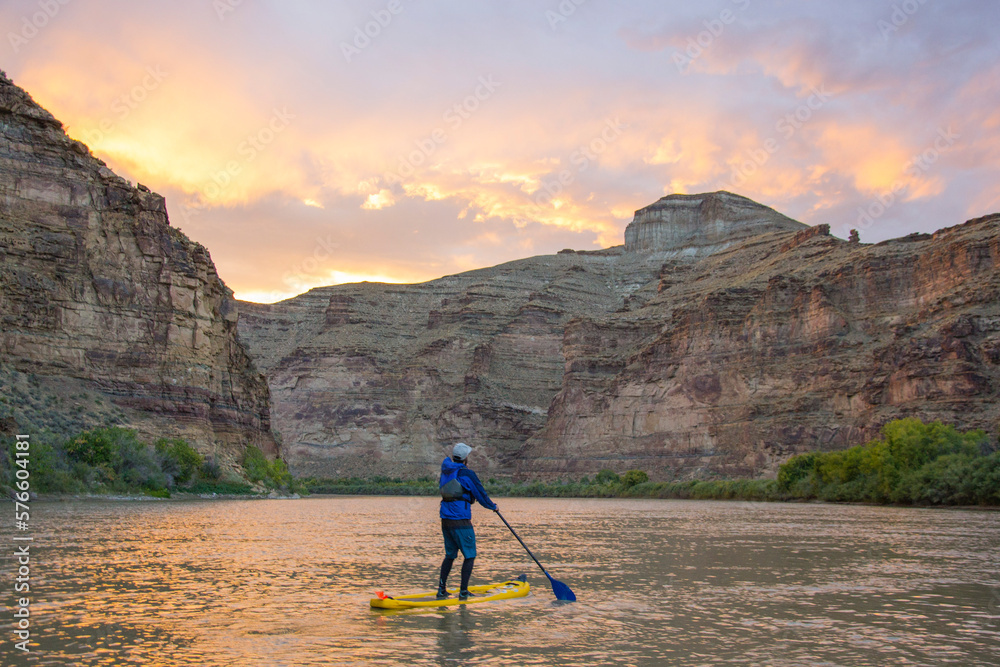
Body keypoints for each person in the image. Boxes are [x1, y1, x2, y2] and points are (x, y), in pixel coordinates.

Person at [436, 442, 498, 600]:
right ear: (465, 458)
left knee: (450, 555)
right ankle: (463, 592)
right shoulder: (467, 474)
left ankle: (441, 590)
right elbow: (480, 493)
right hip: (460, 520)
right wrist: (493, 506)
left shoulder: (446, 471)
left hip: (445, 520)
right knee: (470, 555)